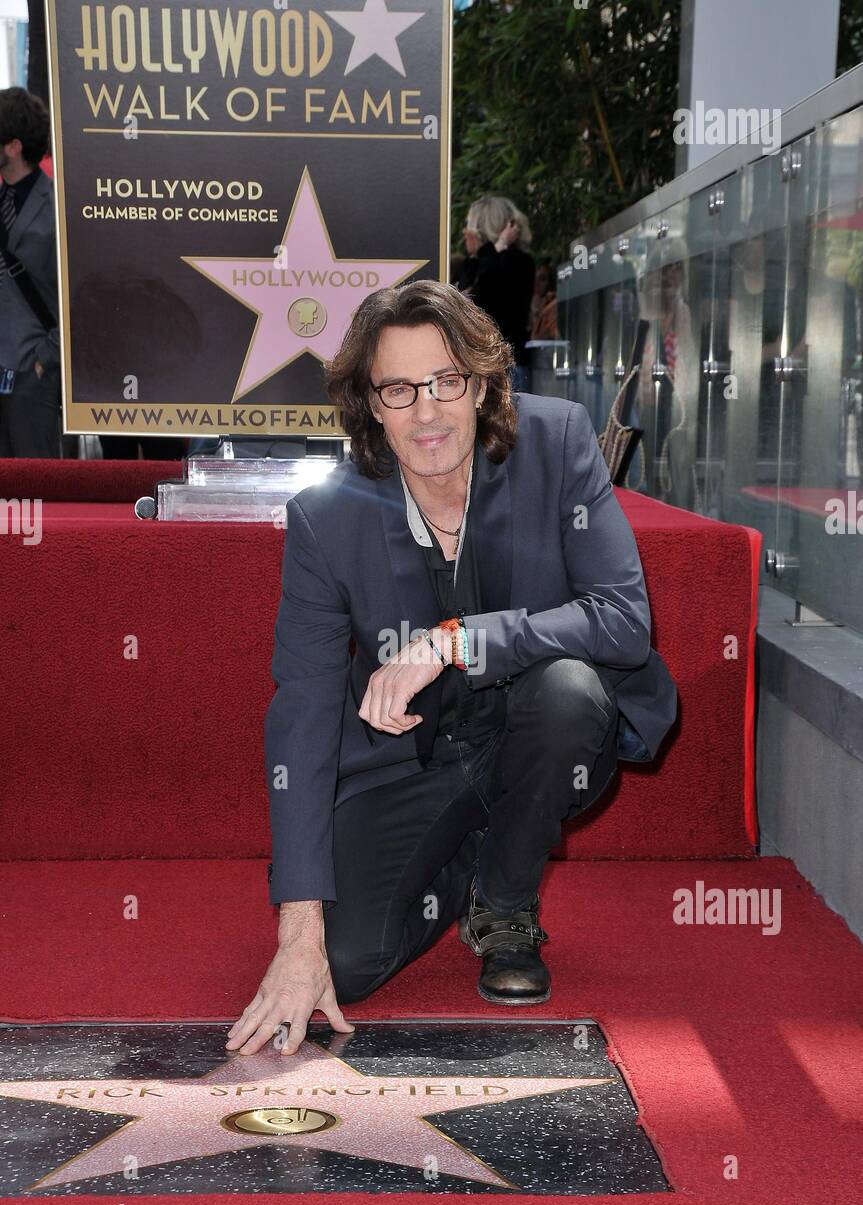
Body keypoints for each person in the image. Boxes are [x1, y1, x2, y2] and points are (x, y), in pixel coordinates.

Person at [227, 280, 677, 1059]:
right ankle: (472, 850)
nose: (427, 413)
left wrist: (455, 639)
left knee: (566, 691)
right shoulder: (326, 517)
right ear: (369, 405)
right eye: (399, 390)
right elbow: (300, 710)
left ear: (481, 382)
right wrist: (298, 926)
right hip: (415, 758)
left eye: (445, 382)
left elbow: (622, 620)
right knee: (346, 964)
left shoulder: (556, 441)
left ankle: (503, 904)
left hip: (542, 730)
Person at [0, 87, 61, 459]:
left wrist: (45, 359)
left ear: (13, 147)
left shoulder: (56, 204)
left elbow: (76, 295)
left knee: (36, 498)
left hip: (32, 374)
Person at [456, 195, 535, 392]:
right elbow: (462, 298)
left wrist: (496, 247)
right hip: (476, 360)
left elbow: (483, 293)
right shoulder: (476, 263)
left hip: (507, 361)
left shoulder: (517, 262)